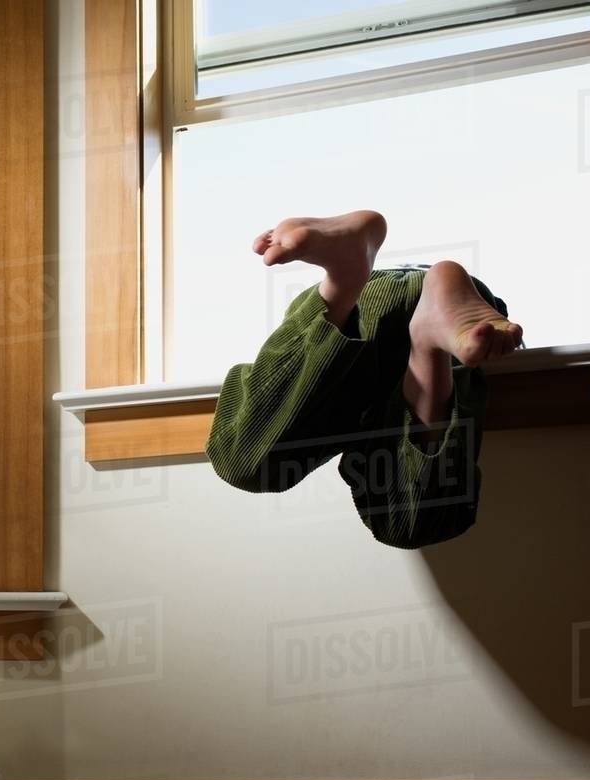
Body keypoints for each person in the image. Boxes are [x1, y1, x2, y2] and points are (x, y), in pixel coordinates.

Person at [205, 210, 523, 549]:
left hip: (368, 305)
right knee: (408, 519)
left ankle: (350, 284)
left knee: (249, 461)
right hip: (450, 309)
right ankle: (401, 322)